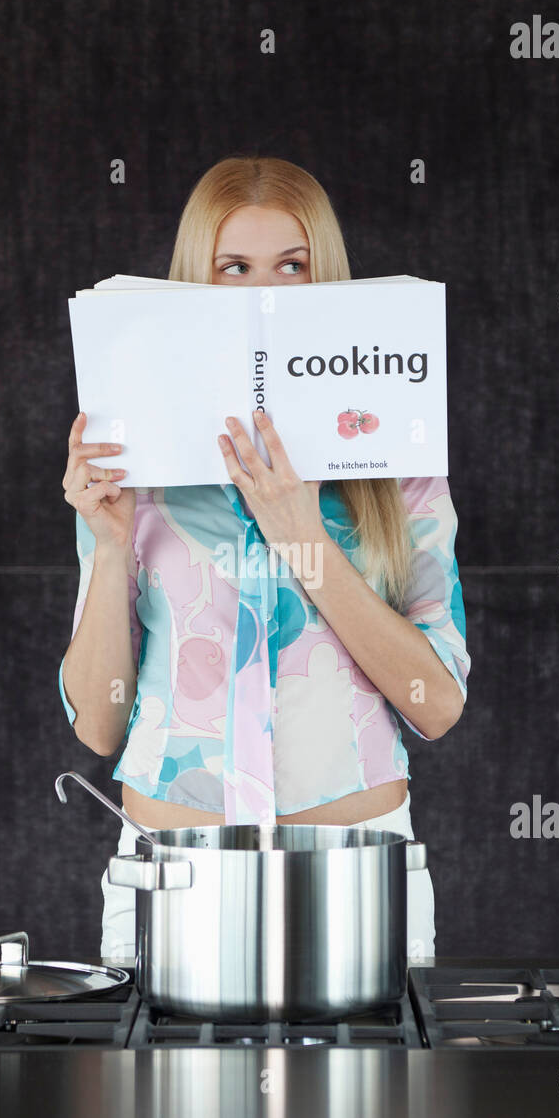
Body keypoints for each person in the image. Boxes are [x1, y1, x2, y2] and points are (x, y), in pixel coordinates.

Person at [58, 155, 471, 969]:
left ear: (327, 284)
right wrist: (109, 546)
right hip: (171, 882)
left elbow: (437, 704)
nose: (260, 294)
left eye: (291, 265)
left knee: (379, 1102)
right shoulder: (132, 465)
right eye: (233, 269)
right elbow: (98, 727)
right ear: (196, 289)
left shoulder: (397, 458)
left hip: (356, 878)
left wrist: (302, 537)